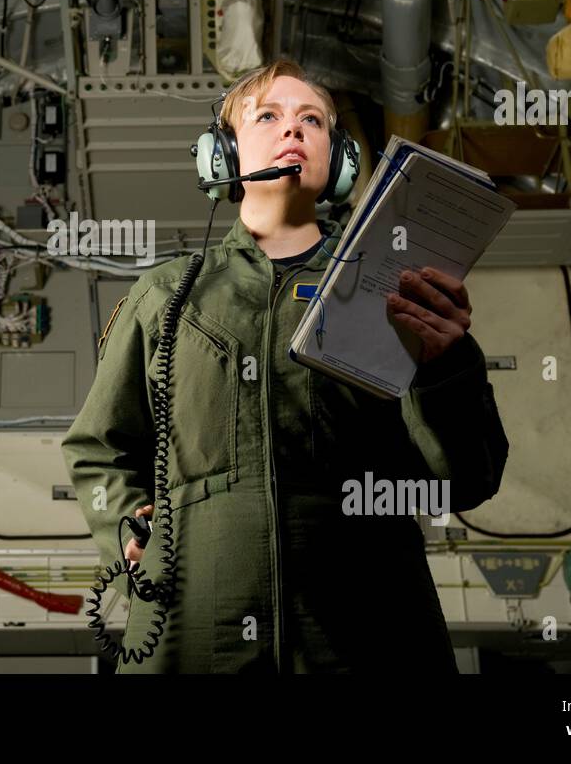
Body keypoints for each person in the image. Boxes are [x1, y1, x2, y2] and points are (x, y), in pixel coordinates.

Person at [61, 57, 510, 673]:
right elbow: (98, 447)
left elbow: (463, 482)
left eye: (313, 121)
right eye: (267, 116)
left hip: (367, 618)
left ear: (340, 161)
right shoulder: (166, 294)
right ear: (224, 155)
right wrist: (127, 527)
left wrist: (447, 367)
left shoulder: (393, 293)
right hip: (192, 611)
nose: (292, 130)